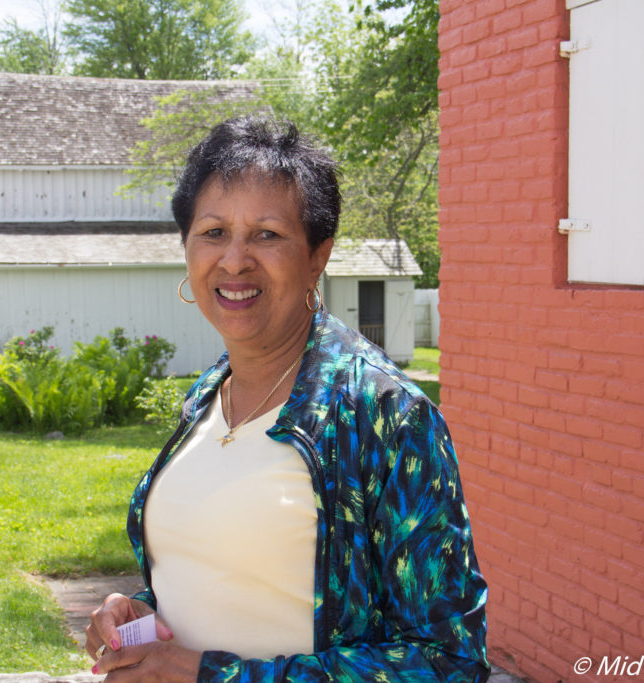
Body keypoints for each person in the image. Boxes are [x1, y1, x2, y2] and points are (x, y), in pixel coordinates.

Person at [86, 116, 489, 682]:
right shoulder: (208, 395)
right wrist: (143, 617)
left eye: (267, 234)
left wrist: (214, 676)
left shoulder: (385, 416)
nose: (234, 260)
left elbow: (448, 662)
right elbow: (233, 585)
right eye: (213, 232)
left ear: (318, 256)